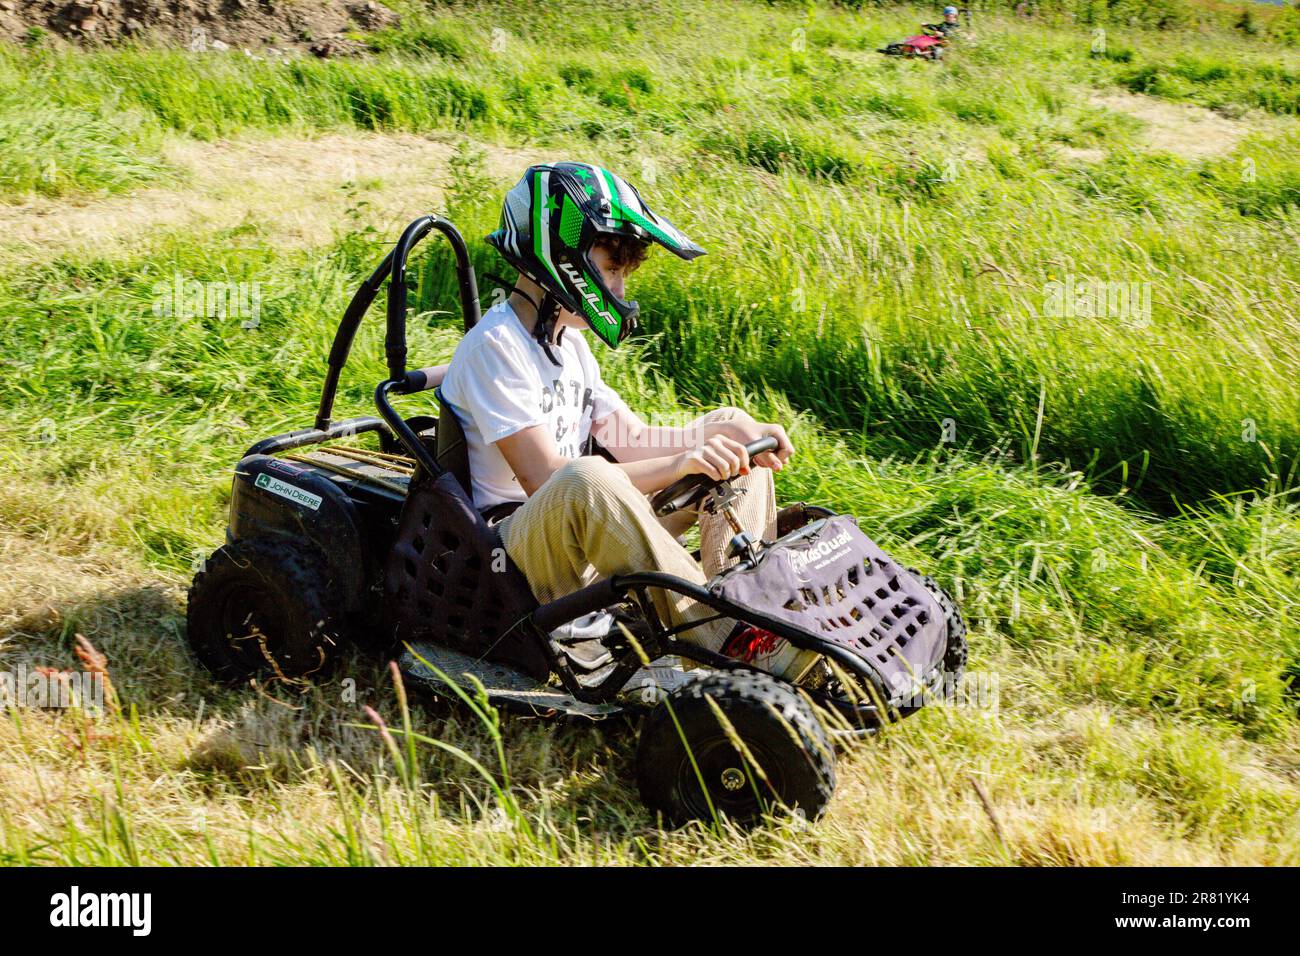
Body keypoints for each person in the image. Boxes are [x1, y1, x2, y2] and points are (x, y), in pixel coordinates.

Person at [437, 162, 818, 682]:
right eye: (611, 270)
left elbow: (633, 440)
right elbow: (547, 480)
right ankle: (725, 642)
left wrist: (729, 436)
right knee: (585, 476)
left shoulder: (568, 346)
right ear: (563, 259)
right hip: (517, 564)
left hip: (577, 536)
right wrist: (683, 462)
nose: (618, 287)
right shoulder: (495, 348)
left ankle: (751, 611)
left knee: (729, 427)